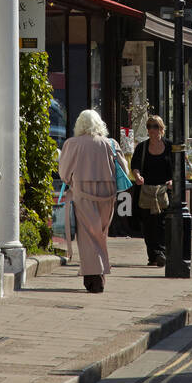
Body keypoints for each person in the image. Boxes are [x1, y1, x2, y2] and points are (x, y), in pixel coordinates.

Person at [57, 110, 130, 293]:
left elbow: (64, 173)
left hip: (84, 193)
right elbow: (124, 170)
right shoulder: (110, 144)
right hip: (108, 195)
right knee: (99, 234)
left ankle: (94, 278)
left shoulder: (72, 144)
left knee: (88, 236)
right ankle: (99, 274)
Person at [130, 115, 173, 267]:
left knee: (162, 223)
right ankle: (153, 256)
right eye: (149, 126)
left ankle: (161, 253)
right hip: (147, 191)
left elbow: (177, 167)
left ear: (161, 128)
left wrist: (172, 181)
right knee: (148, 225)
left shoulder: (169, 146)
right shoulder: (142, 147)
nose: (151, 130)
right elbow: (134, 165)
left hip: (164, 191)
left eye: (155, 126)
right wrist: (137, 175)